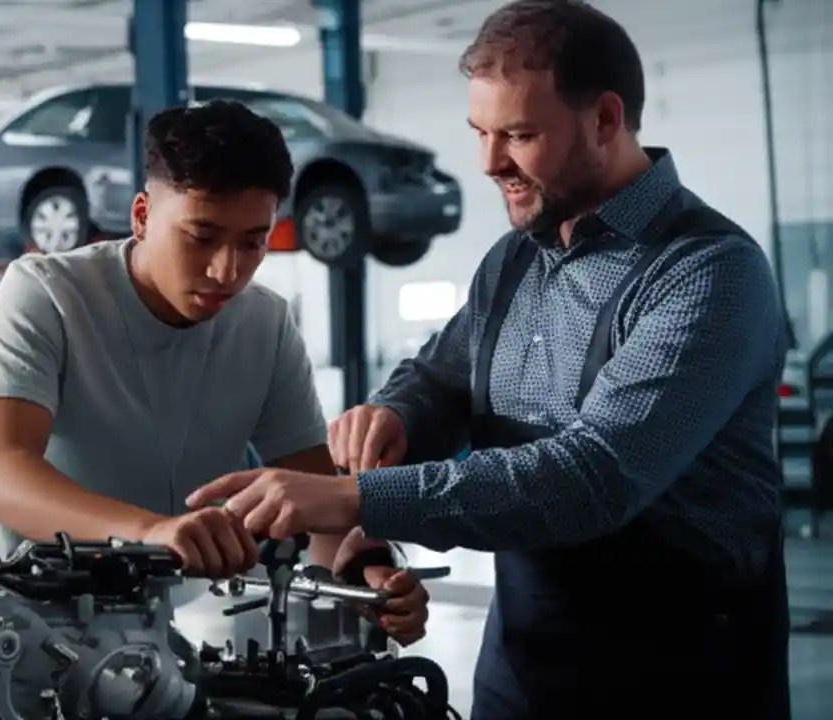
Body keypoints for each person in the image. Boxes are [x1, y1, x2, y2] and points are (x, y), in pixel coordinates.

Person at [186, 2, 792, 718]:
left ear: (605, 119)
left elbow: (592, 479)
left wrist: (352, 497)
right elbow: (440, 379)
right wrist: (394, 418)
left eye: (519, 135)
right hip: (521, 676)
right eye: (480, 133)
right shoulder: (514, 260)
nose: (488, 162)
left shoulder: (709, 275)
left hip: (681, 682)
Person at [0, 99, 429, 646]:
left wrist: (363, 571)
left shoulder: (265, 324)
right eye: (201, 236)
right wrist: (151, 534)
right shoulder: (46, 293)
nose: (226, 270)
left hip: (124, 622)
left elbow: (315, 504)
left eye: (252, 242)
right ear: (141, 216)